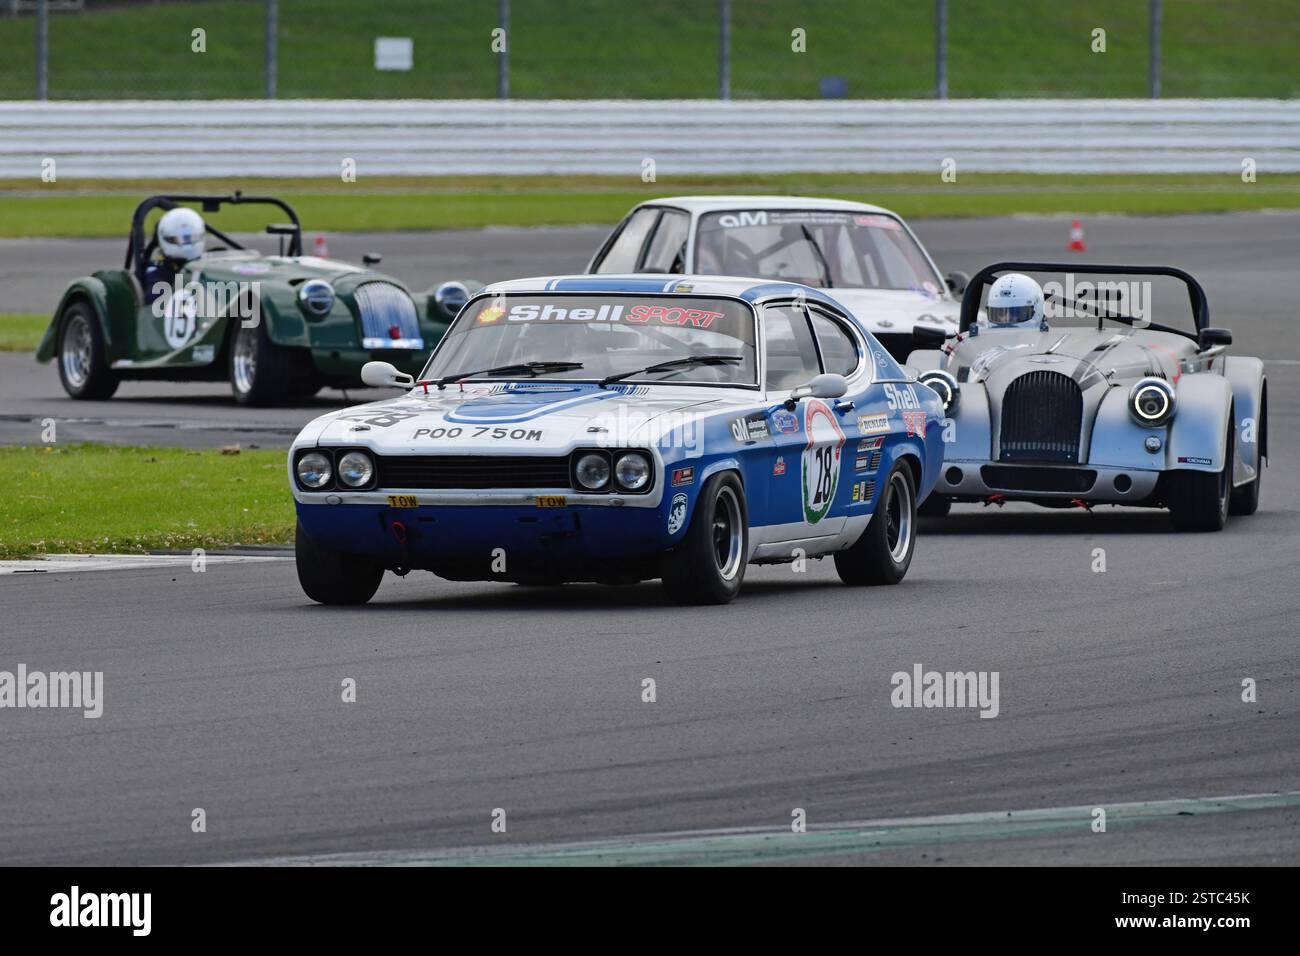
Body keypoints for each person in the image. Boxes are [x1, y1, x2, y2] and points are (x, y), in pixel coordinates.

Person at [143, 207, 206, 304]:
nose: (186, 244)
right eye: (177, 239)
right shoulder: (156, 271)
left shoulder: (209, 264)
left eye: (192, 237)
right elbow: (155, 302)